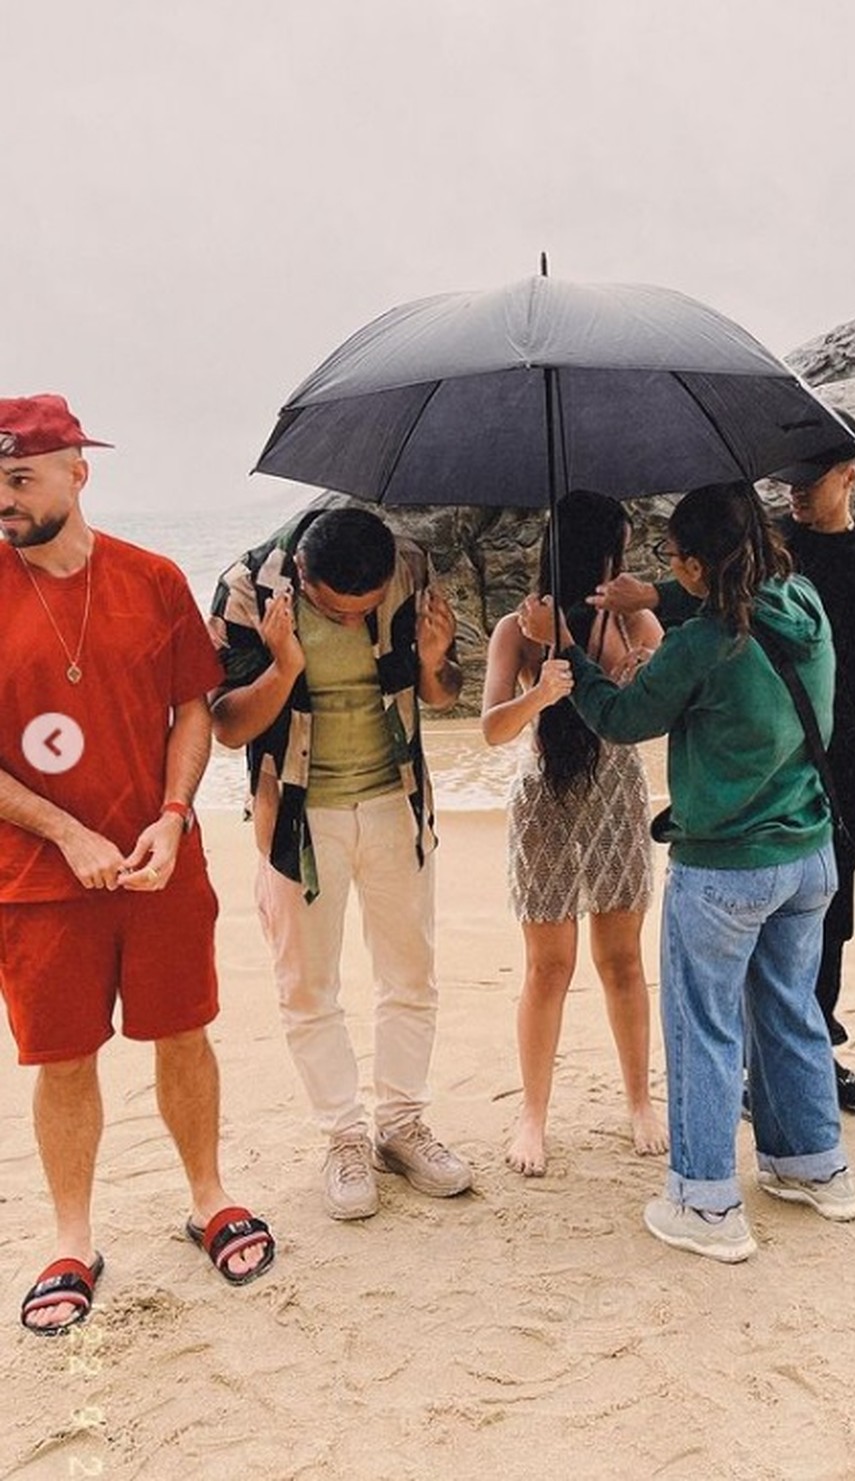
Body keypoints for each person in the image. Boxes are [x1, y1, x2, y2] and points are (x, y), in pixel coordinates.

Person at [519, 480, 855, 1264]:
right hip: (807, 851)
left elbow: (621, 717)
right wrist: (660, 591)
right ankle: (816, 1165)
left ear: (702, 564)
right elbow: (730, 591)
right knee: (791, 1009)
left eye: (677, 560)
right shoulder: (802, 601)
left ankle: (705, 1202)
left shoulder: (706, 642)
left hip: (727, 867)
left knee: (703, 1027)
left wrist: (566, 648)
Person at [0, 394, 275, 1336]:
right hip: (36, 881)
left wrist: (171, 815)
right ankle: (72, 1242)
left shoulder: (153, 579)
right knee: (64, 1058)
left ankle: (209, 1198)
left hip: (161, 863)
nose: (4, 497)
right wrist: (67, 834)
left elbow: (193, 706)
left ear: (79, 470)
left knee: (183, 1033)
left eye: (19, 477)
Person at [208, 503, 472, 1220]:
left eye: (368, 608)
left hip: (398, 801)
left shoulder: (410, 568)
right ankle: (344, 1136)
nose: (356, 621)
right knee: (307, 987)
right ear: (302, 574)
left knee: (410, 973)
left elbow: (446, 696)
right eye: (337, 611)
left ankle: (402, 1124)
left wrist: (431, 663)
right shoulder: (247, 589)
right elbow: (227, 726)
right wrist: (285, 665)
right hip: (296, 815)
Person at [481, 490, 668, 1176]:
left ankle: (639, 1100)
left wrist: (626, 673)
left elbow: (657, 707)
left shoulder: (632, 618)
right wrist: (541, 689)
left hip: (617, 788)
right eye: (618, 550)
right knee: (548, 965)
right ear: (597, 551)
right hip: (545, 797)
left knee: (622, 960)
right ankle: (533, 1114)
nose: (624, 566)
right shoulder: (517, 628)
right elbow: (493, 728)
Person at [764, 409, 855, 1116]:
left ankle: (815, 1046)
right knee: (762, 909)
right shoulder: (764, 547)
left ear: (850, 475)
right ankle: (762, 1063)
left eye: (810, 481)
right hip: (765, 758)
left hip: (844, 770)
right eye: (788, 480)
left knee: (830, 915)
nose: (795, 493)